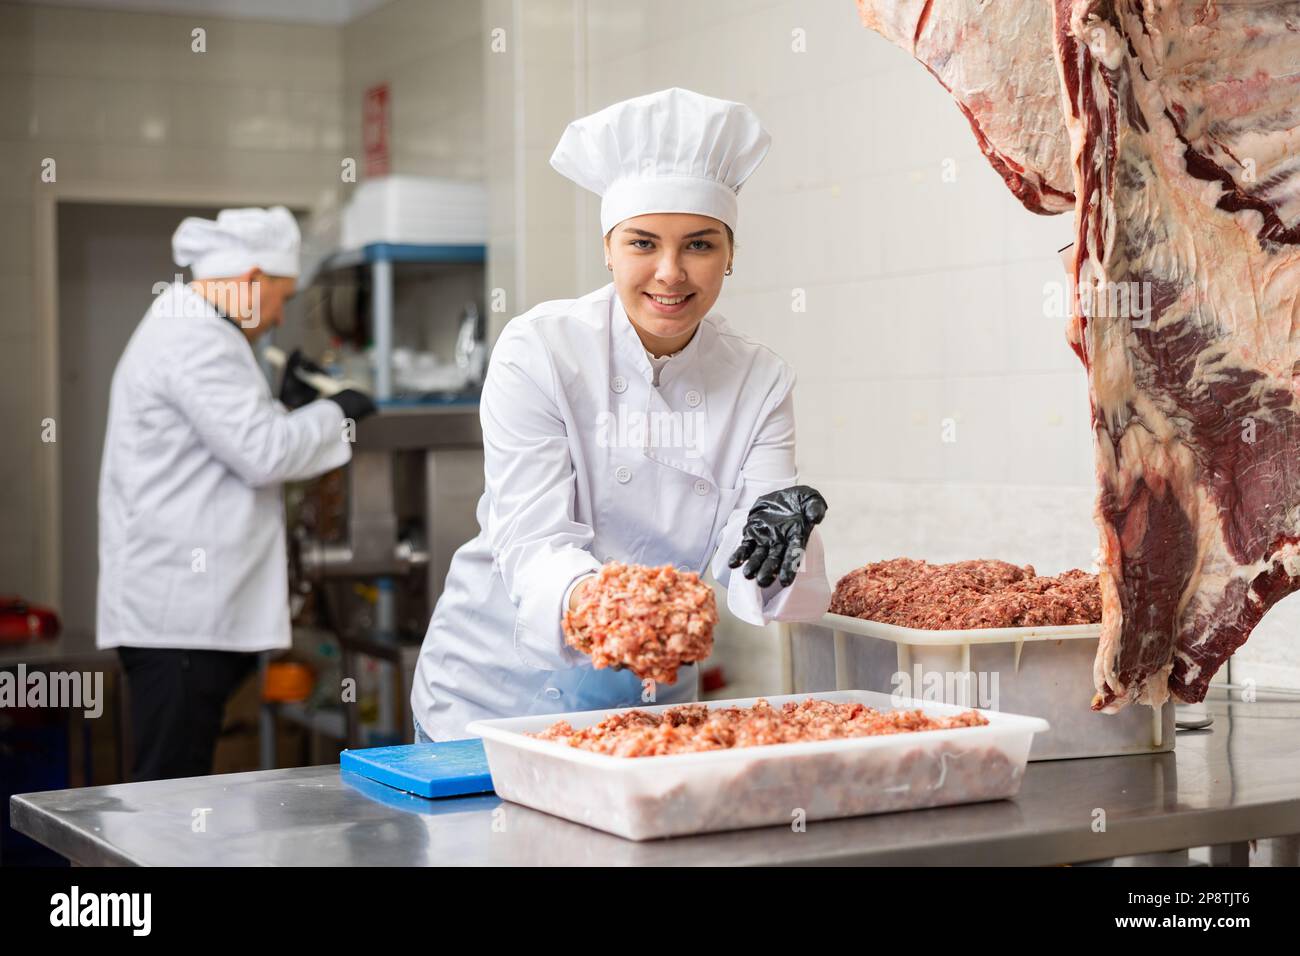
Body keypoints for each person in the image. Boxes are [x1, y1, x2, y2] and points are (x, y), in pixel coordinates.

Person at [411, 88, 831, 742]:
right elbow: (536, 545)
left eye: (699, 244)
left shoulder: (760, 380)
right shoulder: (542, 350)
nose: (670, 273)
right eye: (643, 243)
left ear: (730, 253)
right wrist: (625, 610)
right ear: (609, 249)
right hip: (496, 694)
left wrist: (783, 539)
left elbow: (759, 576)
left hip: (651, 707)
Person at [97, 206, 376, 780]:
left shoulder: (198, 329)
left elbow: (235, 436)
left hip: (187, 609)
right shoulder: (195, 337)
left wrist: (290, 407)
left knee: (178, 780)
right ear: (251, 280)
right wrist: (336, 410)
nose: (277, 318)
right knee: (168, 791)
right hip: (179, 616)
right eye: (281, 296)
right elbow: (264, 452)